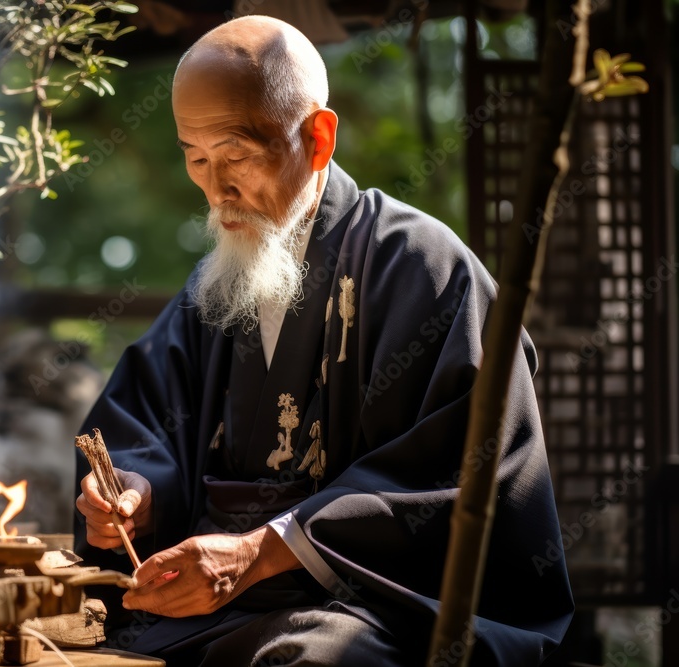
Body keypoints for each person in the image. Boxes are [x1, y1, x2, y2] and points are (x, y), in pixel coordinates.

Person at [74, 15, 573, 666]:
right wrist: (134, 493)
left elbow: (456, 477)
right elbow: (147, 419)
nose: (214, 189)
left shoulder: (422, 267)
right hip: (214, 607)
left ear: (318, 137)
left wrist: (263, 549)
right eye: (195, 157)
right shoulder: (220, 284)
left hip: (363, 605)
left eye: (236, 156)